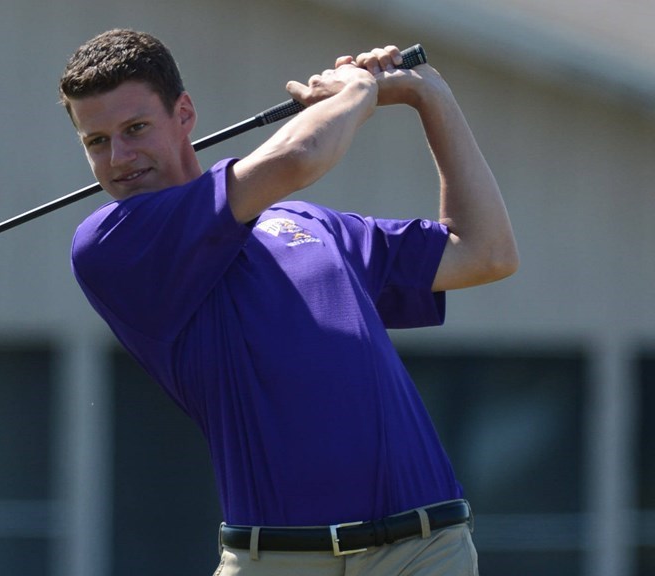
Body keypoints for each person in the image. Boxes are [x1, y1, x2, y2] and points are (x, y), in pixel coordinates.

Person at [59, 29, 518, 575]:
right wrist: (355, 92)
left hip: (424, 547)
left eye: (135, 128)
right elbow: (299, 156)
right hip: (278, 557)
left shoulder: (307, 224)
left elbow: (486, 253)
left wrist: (429, 96)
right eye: (97, 141)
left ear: (184, 114)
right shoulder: (113, 243)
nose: (120, 157)